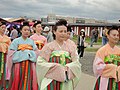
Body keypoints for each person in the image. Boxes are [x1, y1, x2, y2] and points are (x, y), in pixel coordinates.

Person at [36, 19, 81, 90]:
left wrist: (68, 67)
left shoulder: (71, 47)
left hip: (66, 78)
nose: (63, 33)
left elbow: (76, 63)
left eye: (65, 31)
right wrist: (55, 67)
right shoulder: (48, 46)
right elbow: (40, 62)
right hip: (51, 79)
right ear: (54, 32)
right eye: (60, 31)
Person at [6, 21, 40, 90]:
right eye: (25, 30)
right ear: (21, 31)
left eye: (28, 30)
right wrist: (25, 54)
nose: (26, 32)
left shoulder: (31, 41)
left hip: (30, 65)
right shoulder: (16, 41)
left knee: (29, 80)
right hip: (18, 65)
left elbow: (36, 52)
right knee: (18, 80)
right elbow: (11, 54)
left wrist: (28, 53)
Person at [93, 26, 120, 90]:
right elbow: (97, 66)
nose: (116, 37)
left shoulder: (119, 50)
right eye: (114, 35)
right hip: (105, 80)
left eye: (117, 35)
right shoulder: (102, 50)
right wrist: (112, 68)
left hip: (117, 79)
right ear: (108, 36)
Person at [0, 21, 11, 90]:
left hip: (4, 55)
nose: (4, 29)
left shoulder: (7, 38)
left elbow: (10, 46)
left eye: (5, 27)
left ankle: (2, 85)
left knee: (3, 69)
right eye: (2, 27)